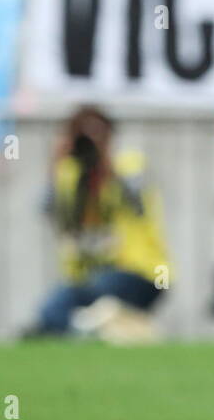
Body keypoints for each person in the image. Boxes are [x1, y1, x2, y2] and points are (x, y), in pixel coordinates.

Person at [29, 106, 170, 337]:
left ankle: (97, 327)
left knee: (102, 290)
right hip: (86, 277)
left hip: (141, 272)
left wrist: (106, 162)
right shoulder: (69, 175)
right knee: (51, 310)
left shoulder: (130, 165)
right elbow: (45, 209)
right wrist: (54, 165)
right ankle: (97, 331)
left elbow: (138, 206)